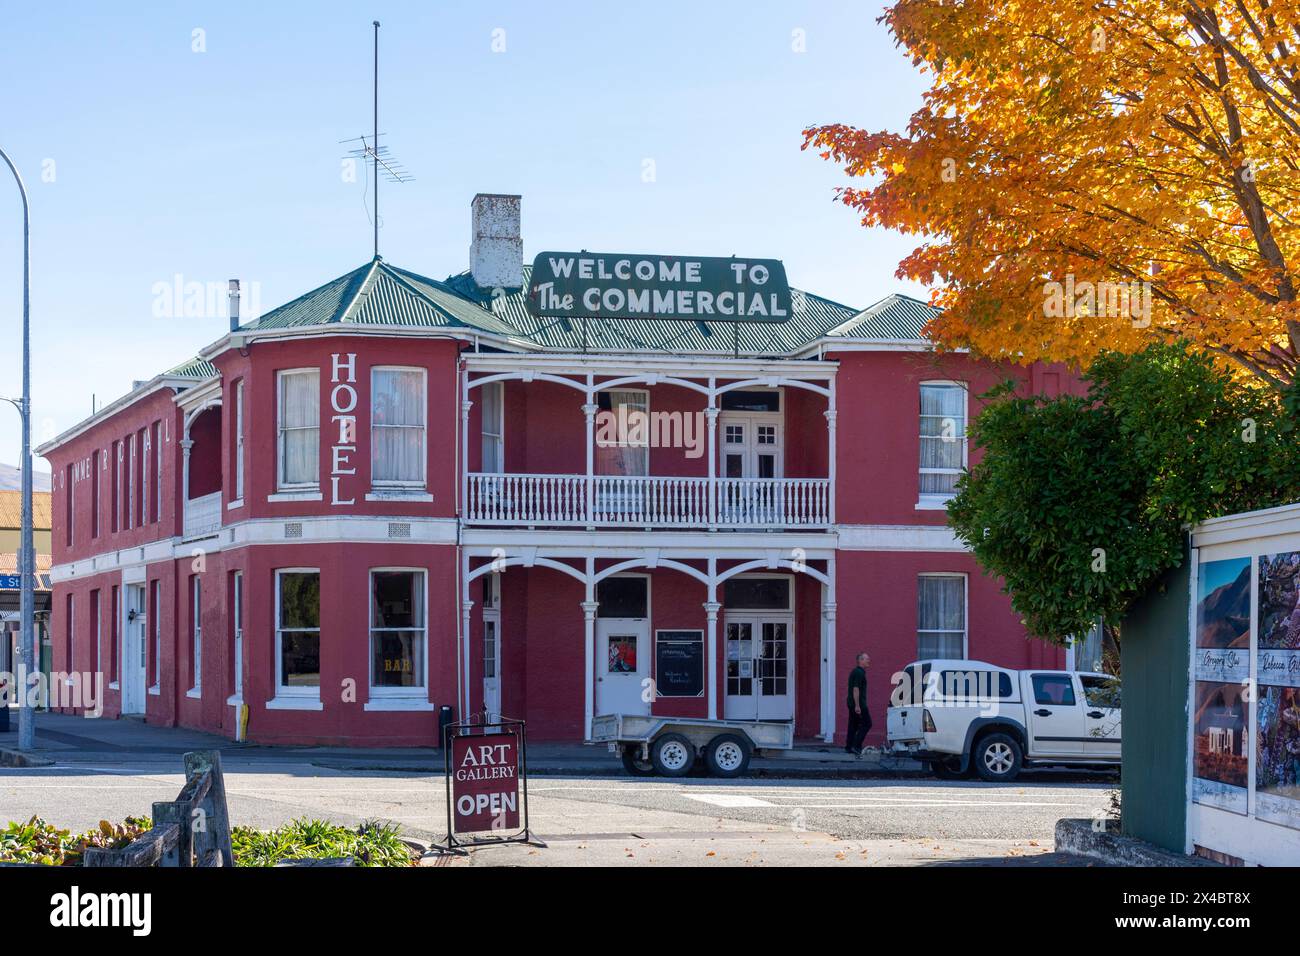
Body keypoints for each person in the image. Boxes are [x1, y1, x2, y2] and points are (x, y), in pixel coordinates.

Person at [845, 652, 872, 756]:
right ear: (860, 660)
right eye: (866, 659)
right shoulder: (859, 673)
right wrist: (857, 705)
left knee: (853, 725)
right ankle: (855, 746)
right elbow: (856, 689)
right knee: (867, 723)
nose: (869, 661)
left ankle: (849, 747)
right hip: (859, 705)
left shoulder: (857, 672)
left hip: (853, 703)